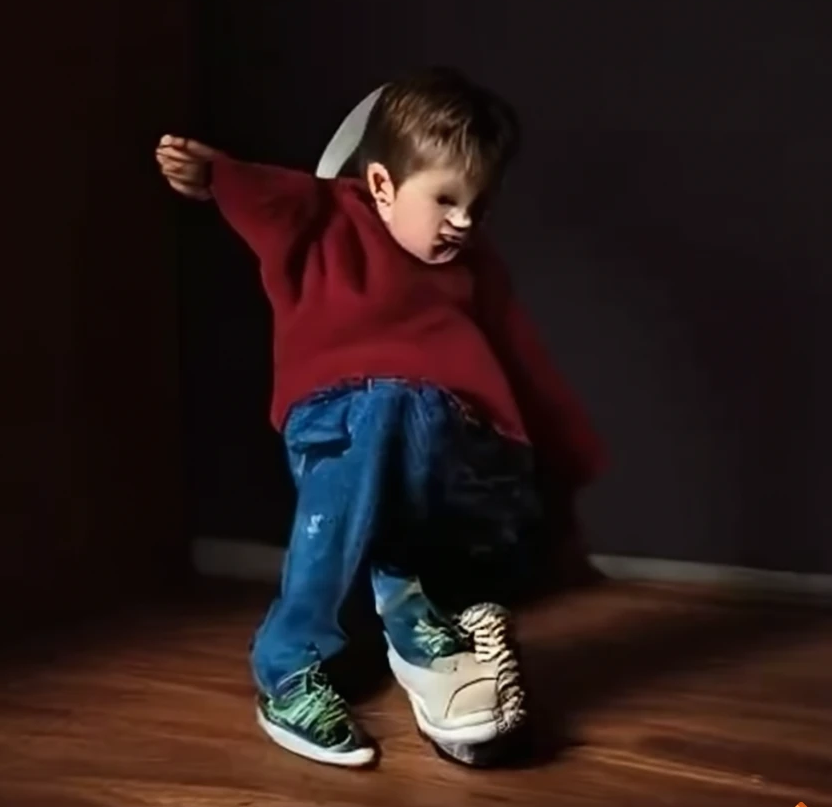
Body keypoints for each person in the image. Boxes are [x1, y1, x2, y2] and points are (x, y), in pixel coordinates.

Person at [155, 67, 605, 768]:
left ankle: (417, 600)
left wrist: (562, 474)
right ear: (382, 187)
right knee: (388, 404)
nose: (462, 221)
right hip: (338, 425)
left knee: (428, 415)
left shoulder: (473, 269)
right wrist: (212, 175)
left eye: (478, 206)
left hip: (446, 441)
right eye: (446, 200)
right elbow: (264, 196)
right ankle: (292, 666)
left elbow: (522, 365)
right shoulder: (328, 216)